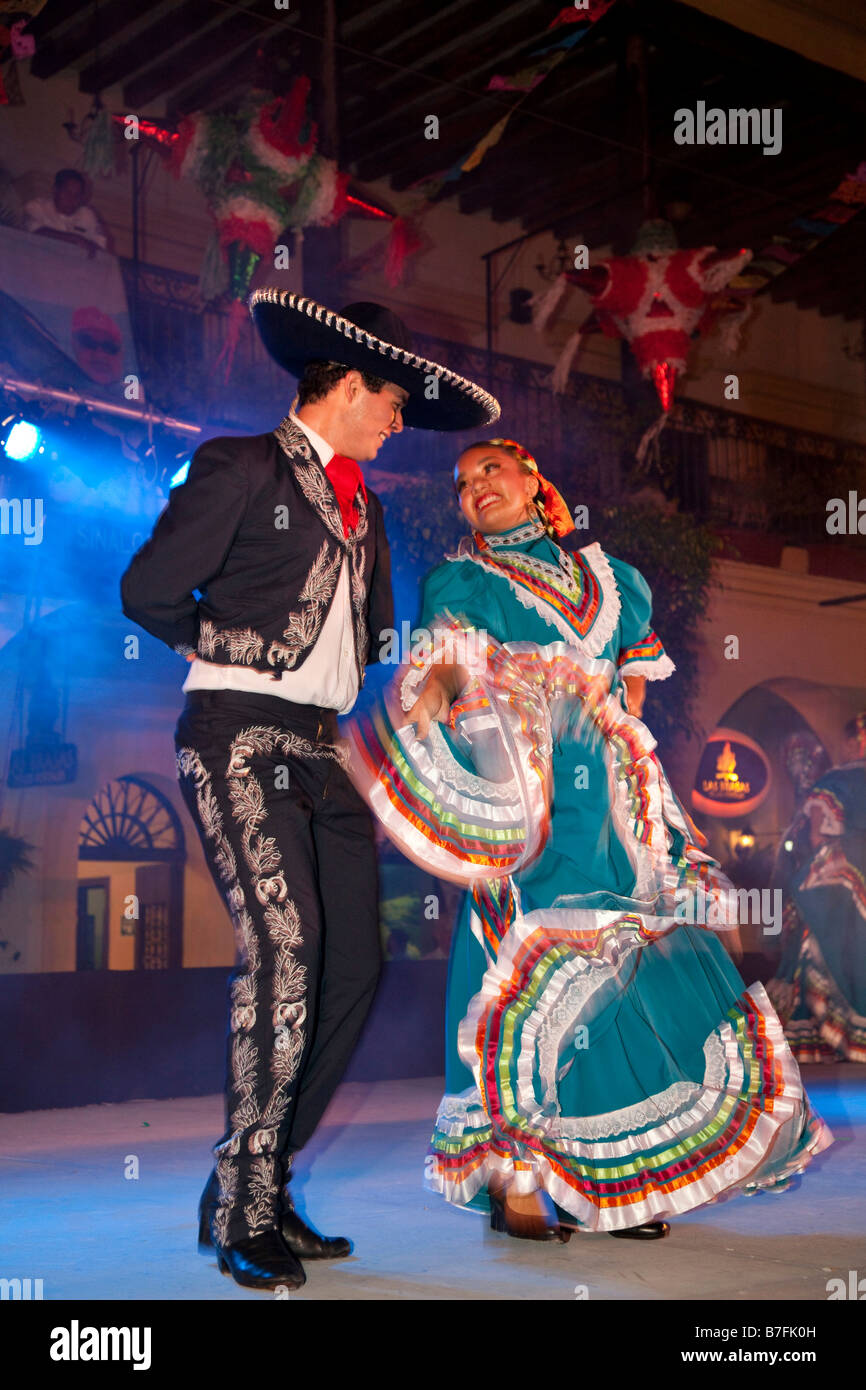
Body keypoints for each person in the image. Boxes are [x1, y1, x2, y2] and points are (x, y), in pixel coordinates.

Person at [348, 438, 832, 1242]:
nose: (475, 490)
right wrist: (432, 694)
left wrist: (619, 737)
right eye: (463, 484)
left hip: (612, 794)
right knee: (532, 966)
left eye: (491, 471)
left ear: (535, 480)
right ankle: (519, 1180)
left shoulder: (616, 583)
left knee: (635, 964)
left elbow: (631, 676)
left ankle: (615, 1181)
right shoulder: (459, 579)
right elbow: (449, 658)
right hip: (528, 793)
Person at [120, 293, 499, 1289]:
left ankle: (267, 1179)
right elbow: (149, 593)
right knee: (285, 949)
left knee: (354, 966)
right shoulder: (238, 464)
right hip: (237, 732)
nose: (399, 416)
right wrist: (247, 658)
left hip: (326, 748)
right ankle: (240, 1202)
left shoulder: (363, 504)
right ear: (345, 382)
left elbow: (368, 647)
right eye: (392, 397)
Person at [767, 714, 866, 1062]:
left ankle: (823, 1030)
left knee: (806, 924)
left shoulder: (836, 781)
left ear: (857, 740)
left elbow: (814, 834)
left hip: (838, 874)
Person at [23, 169, 109, 255]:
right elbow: (36, 231)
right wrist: (73, 239)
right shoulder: (36, 207)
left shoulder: (87, 215)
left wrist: (91, 247)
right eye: (67, 192)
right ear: (55, 190)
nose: (71, 199)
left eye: (77, 195)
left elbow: (102, 246)